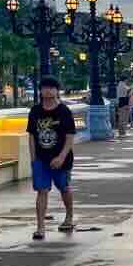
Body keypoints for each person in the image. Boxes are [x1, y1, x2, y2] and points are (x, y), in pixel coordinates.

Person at [27, 76, 77, 240]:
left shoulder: (63, 111)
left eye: (51, 88)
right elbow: (32, 136)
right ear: (40, 91)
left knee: (64, 187)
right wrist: (33, 159)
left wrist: (62, 157)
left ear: (57, 90)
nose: (48, 91)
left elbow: (70, 136)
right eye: (44, 88)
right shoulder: (35, 111)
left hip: (61, 158)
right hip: (41, 159)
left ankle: (69, 216)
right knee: (42, 191)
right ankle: (40, 227)